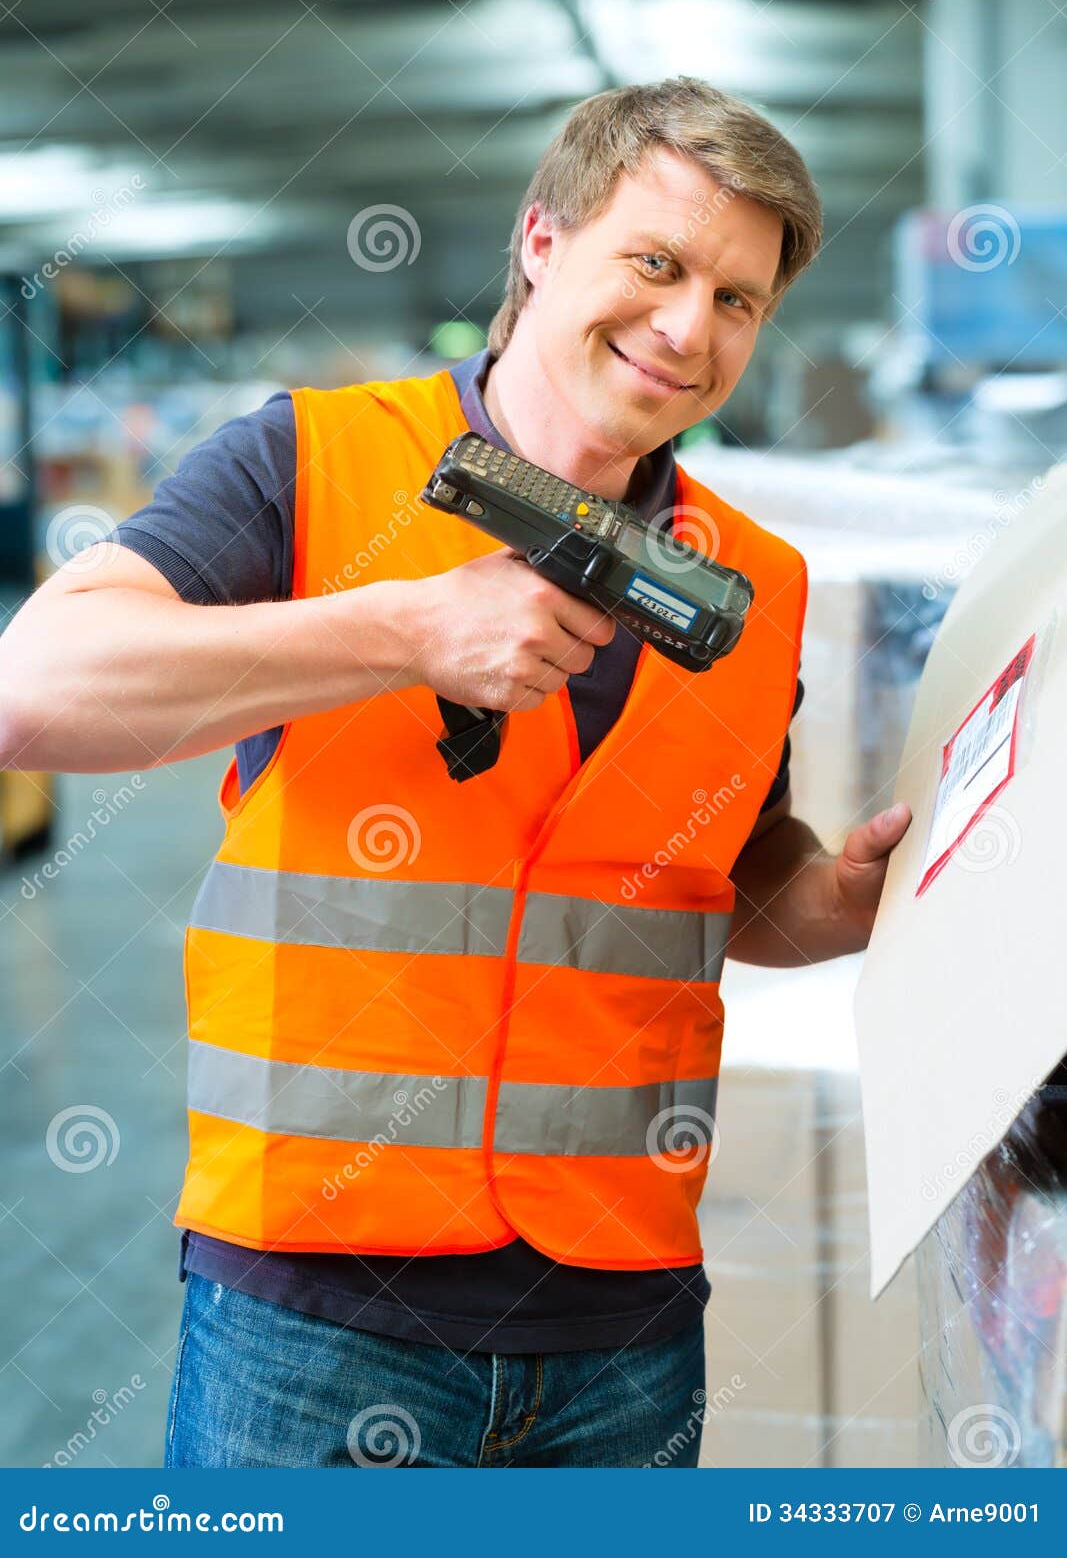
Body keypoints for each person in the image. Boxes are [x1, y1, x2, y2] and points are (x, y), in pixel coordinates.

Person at [0, 76, 911, 1468]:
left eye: (737, 298)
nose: (689, 328)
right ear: (543, 239)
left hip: (622, 1325)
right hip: (315, 1314)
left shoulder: (754, 587)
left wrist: (831, 906)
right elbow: (34, 692)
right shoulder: (310, 464)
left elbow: (720, 876)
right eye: (656, 264)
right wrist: (403, 629)